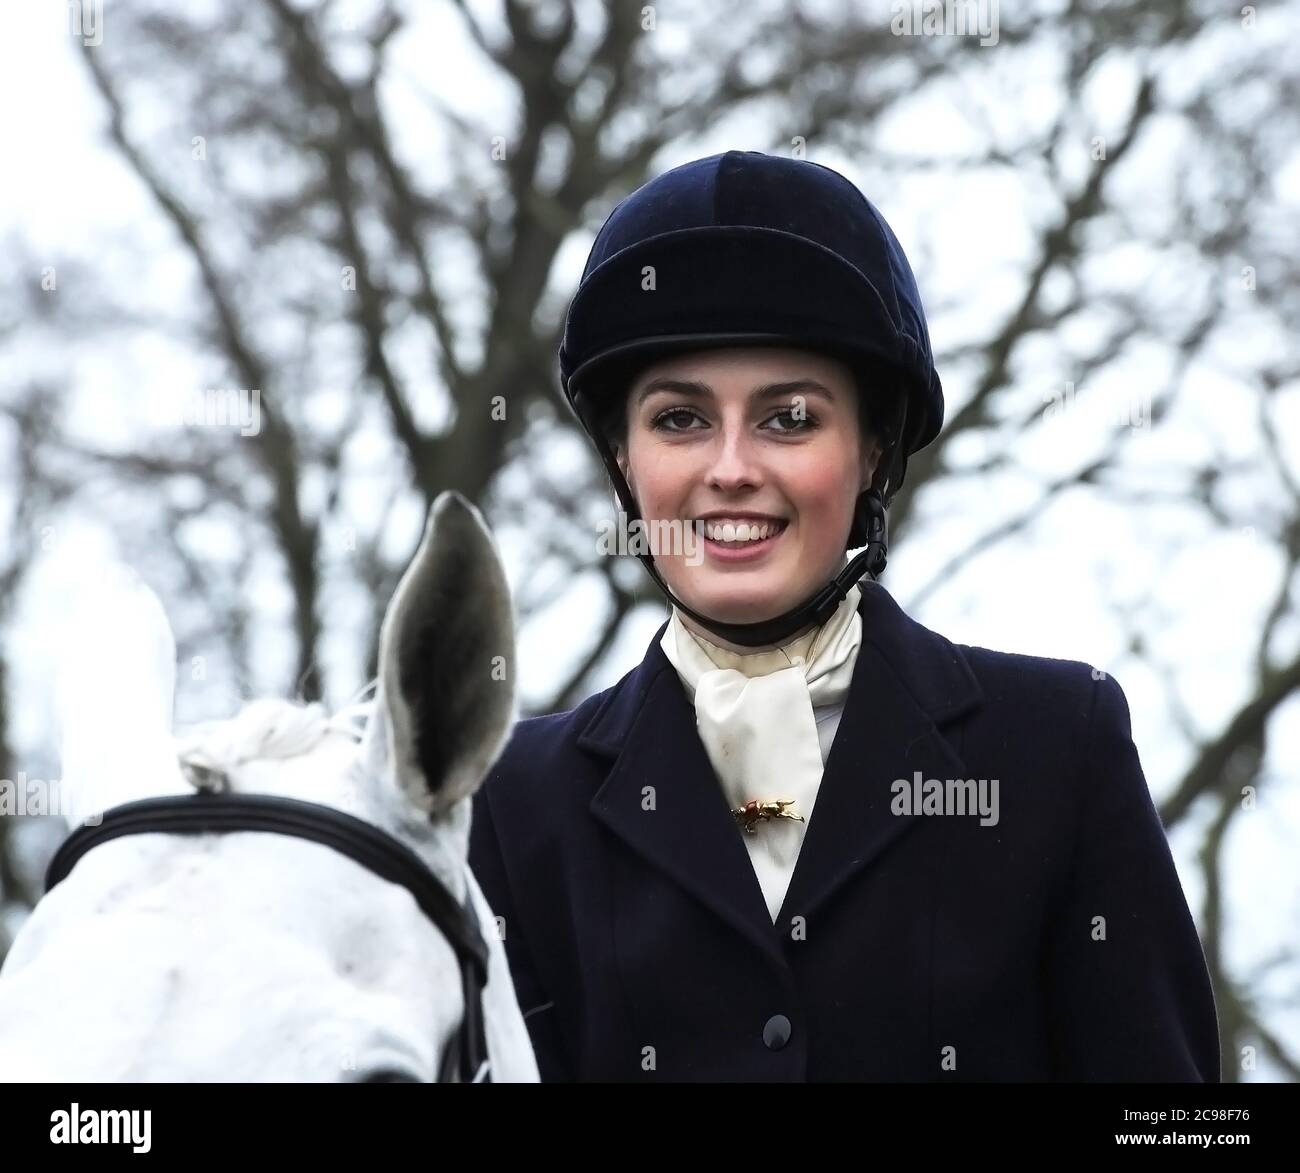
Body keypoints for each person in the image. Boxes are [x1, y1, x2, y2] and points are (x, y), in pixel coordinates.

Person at [468, 150, 1220, 1082]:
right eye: (679, 419)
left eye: (789, 418)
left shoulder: (1059, 744)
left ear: (872, 451)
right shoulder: (512, 804)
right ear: (625, 460)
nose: (733, 466)